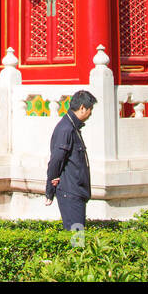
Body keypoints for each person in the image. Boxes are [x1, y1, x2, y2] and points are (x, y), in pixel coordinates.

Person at [45, 90, 95, 231]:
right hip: (71, 193)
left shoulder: (72, 127)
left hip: (76, 192)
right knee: (77, 237)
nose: (90, 114)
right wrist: (50, 190)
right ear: (82, 108)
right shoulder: (66, 129)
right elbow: (56, 160)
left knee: (76, 235)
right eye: (90, 109)